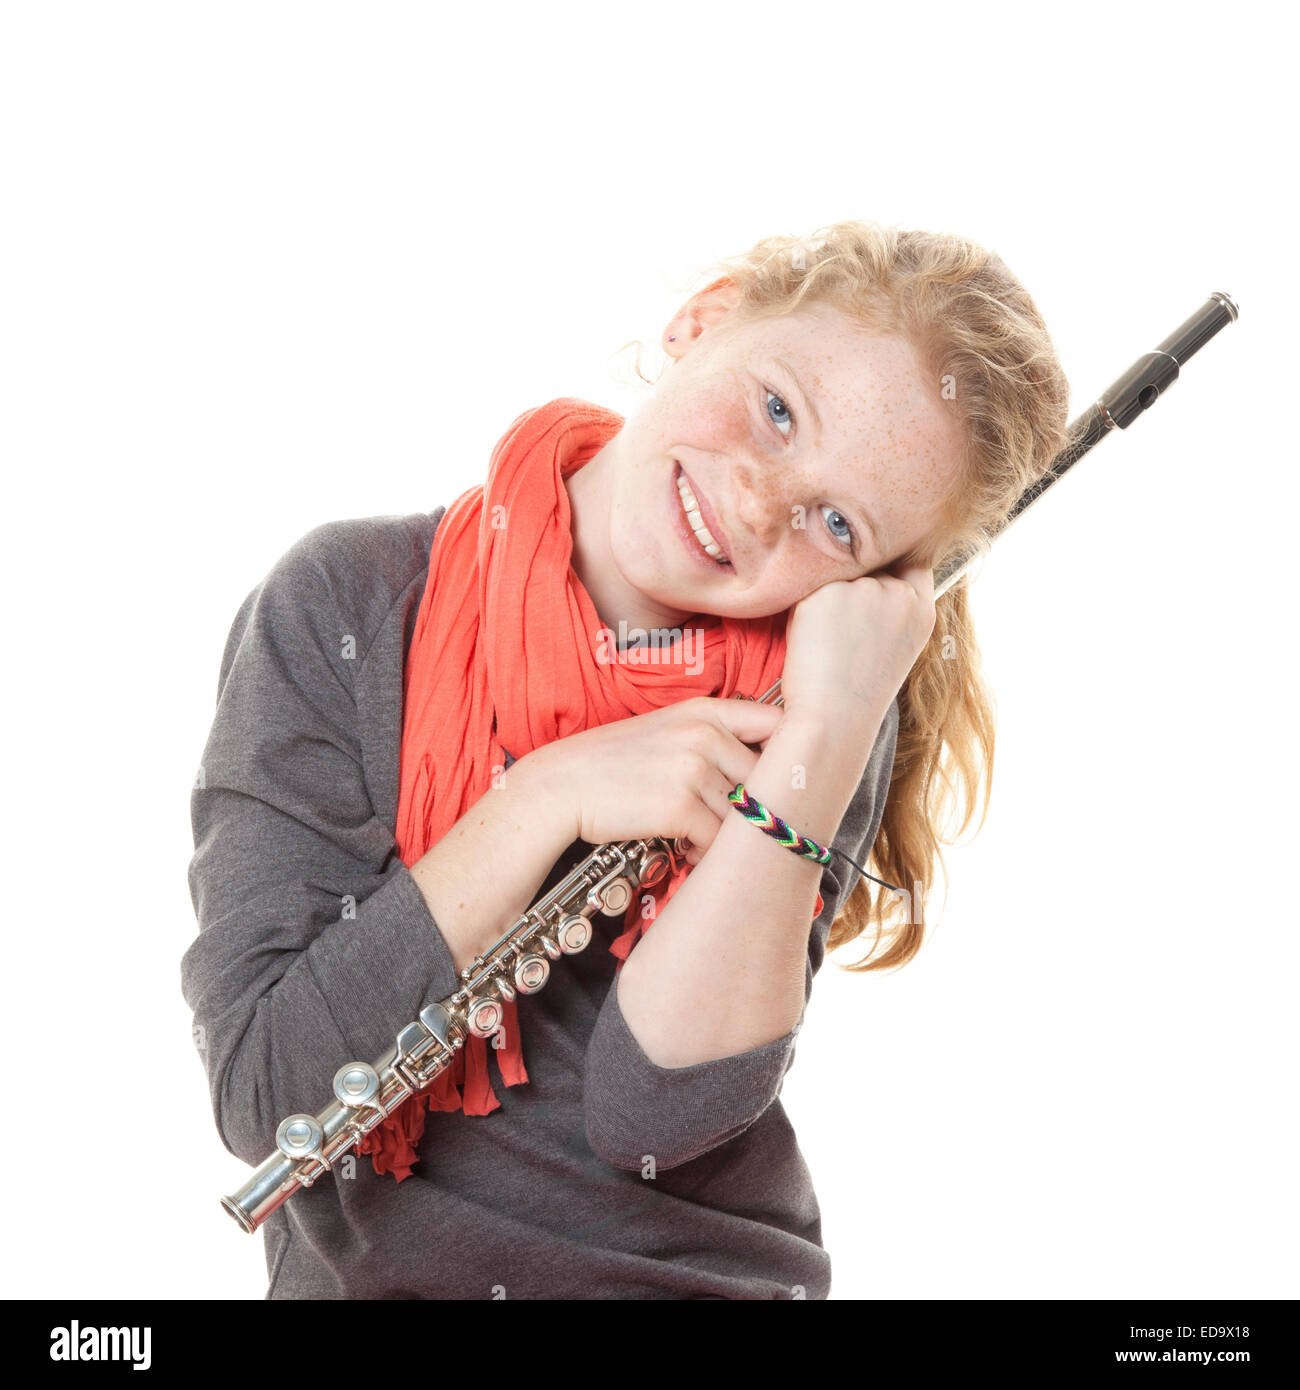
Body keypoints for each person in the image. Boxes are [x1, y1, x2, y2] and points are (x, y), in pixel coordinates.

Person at [183, 219, 1071, 1299]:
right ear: (705, 319)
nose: (755, 504)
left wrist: (829, 732)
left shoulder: (819, 697)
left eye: (834, 522)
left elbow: (657, 1116)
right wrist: (548, 796)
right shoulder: (347, 600)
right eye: (777, 410)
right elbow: (266, 1088)